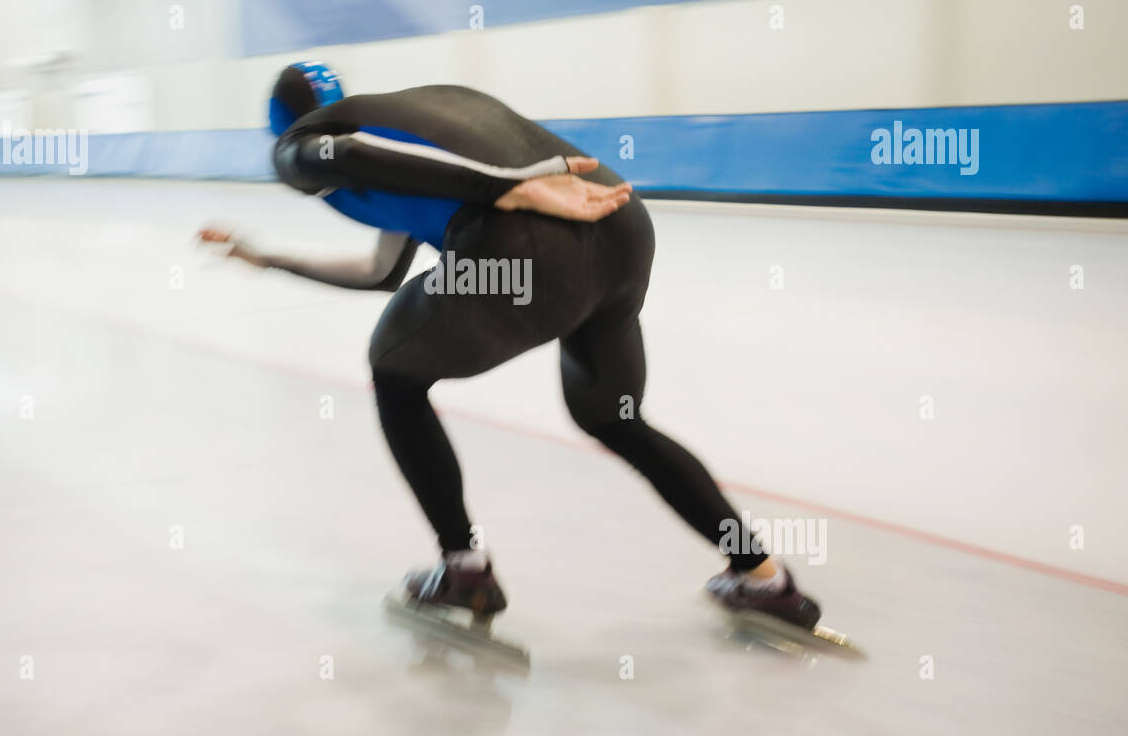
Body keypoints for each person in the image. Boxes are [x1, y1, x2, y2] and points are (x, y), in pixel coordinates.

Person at [198, 60, 821, 631]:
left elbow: (349, 154)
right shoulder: (404, 121)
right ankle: (764, 577)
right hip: (620, 225)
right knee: (615, 417)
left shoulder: (300, 147)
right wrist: (269, 259)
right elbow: (381, 270)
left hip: (522, 239)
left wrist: (507, 187)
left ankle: (463, 568)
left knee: (393, 372)